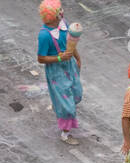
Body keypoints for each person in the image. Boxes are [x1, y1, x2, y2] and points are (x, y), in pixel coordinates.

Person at [36, 0, 83, 144]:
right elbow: (41, 58)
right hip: (56, 71)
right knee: (66, 105)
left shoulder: (64, 24)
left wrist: (78, 58)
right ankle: (65, 133)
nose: (62, 12)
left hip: (70, 66)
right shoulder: (44, 36)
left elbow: (71, 43)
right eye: (59, 11)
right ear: (54, 16)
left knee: (77, 94)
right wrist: (58, 57)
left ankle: (62, 111)